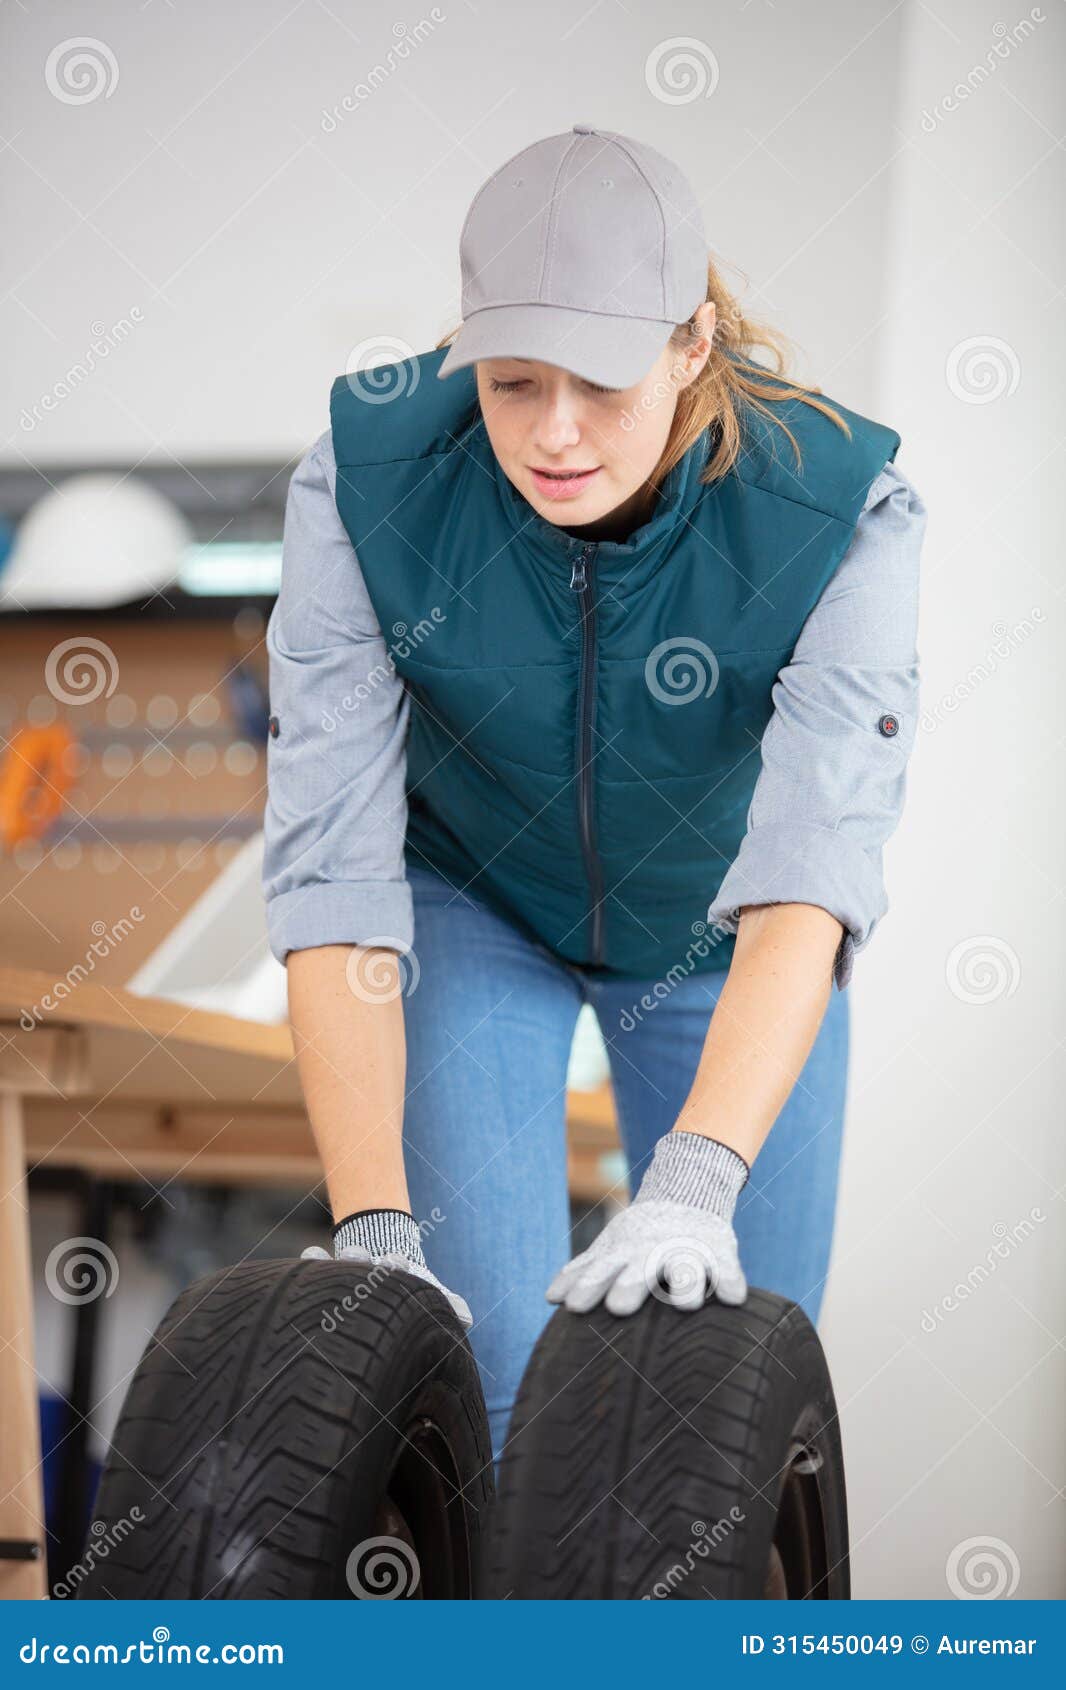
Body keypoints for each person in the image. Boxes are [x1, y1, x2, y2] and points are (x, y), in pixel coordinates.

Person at [263, 124, 925, 1467]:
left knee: (733, 1405)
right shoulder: (366, 478)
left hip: (722, 927)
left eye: (603, 384)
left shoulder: (838, 505)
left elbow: (815, 860)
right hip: (475, 903)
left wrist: (694, 1177)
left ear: (691, 345)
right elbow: (331, 868)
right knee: (490, 1382)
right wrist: (372, 1222)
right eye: (512, 383)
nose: (553, 434)